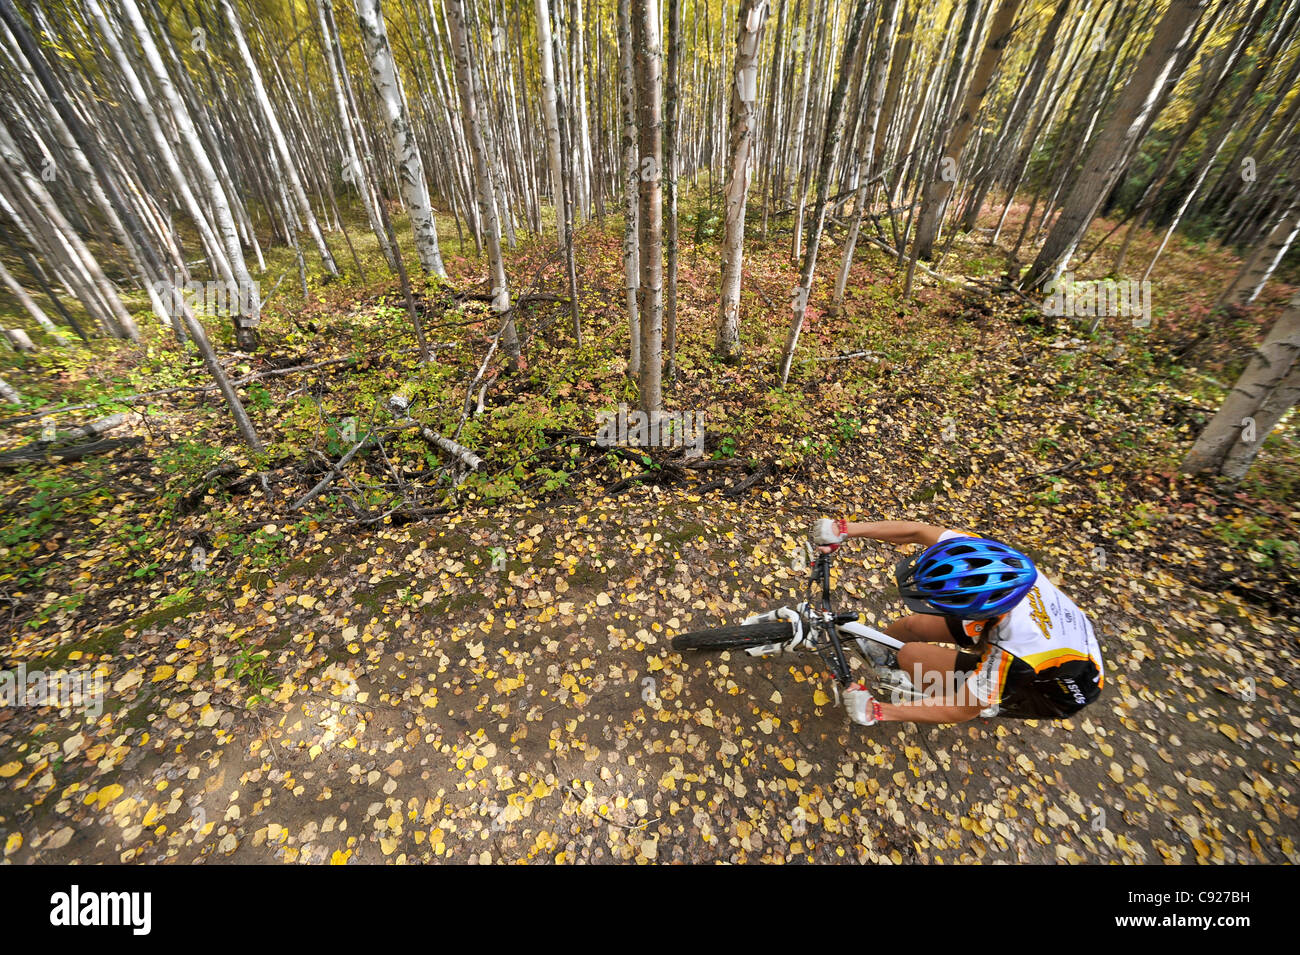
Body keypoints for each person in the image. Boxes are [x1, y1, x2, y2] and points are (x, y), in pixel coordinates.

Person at [810, 519, 1104, 726]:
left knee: (916, 658)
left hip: (1056, 690)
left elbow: (960, 709)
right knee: (914, 627)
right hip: (1033, 625)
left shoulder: (1019, 651)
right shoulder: (982, 557)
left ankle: (989, 703)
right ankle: (885, 656)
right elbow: (917, 530)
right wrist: (845, 530)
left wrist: (879, 711)